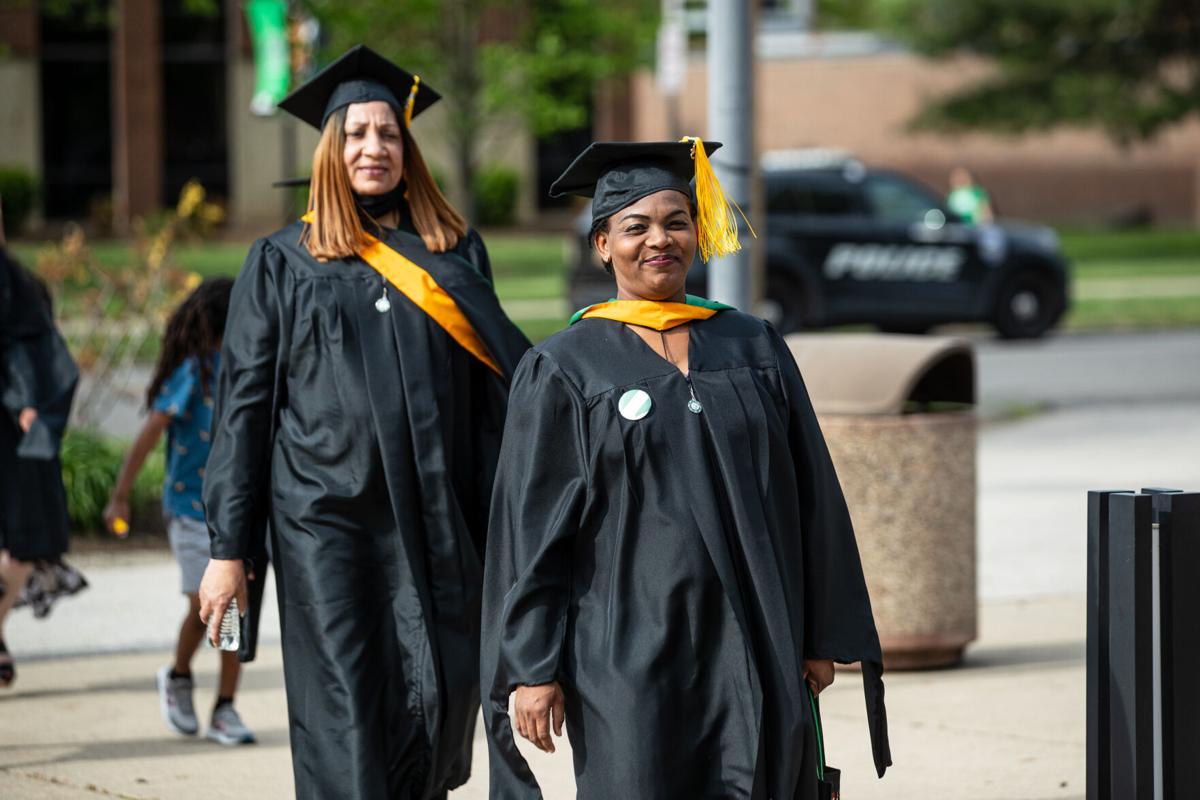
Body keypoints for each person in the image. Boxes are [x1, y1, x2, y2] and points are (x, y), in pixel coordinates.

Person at [481, 139, 891, 799]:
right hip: (623, 648)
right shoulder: (565, 367)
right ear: (602, 245)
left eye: (676, 222)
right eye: (635, 227)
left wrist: (819, 634)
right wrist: (533, 666)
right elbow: (533, 529)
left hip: (755, 631)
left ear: (697, 235)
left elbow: (812, 493)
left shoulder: (750, 345)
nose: (659, 240)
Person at [197, 45, 530, 799]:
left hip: (438, 516)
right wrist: (228, 549)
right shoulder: (282, 262)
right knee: (344, 707)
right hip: (327, 526)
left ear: (407, 150)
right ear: (330, 149)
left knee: (437, 697)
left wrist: (512, 526)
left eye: (387, 133)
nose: (373, 147)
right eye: (355, 133)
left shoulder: (453, 253)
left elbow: (495, 401)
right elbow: (243, 411)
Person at [102, 278, 255, 745]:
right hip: (190, 508)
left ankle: (225, 707)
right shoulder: (195, 372)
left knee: (234, 610)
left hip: (234, 512)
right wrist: (121, 494)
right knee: (204, 605)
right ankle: (180, 675)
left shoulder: (248, 366)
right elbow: (150, 433)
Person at [0, 231, 84, 689]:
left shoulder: (17, 285)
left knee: (23, 541)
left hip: (16, 432)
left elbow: (33, 349)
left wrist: (28, 400)